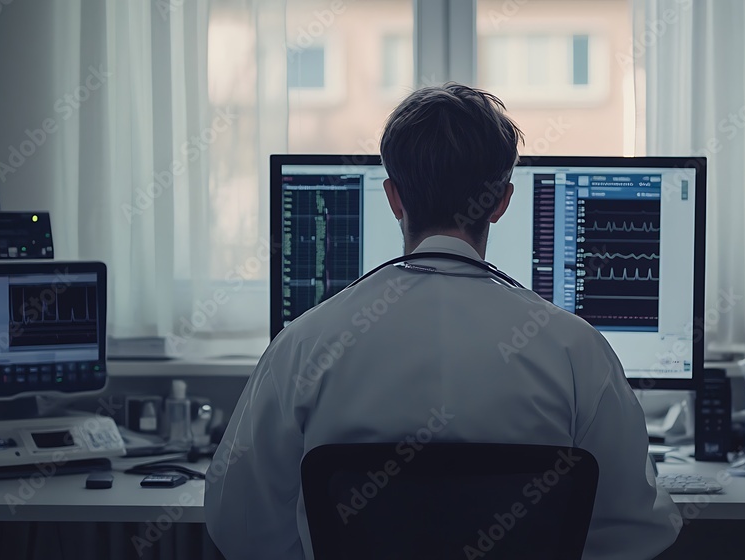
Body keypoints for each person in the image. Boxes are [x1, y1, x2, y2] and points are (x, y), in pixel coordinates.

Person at [205, 83, 680, 559]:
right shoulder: (577, 351)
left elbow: (240, 525)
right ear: (501, 202)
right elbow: (635, 532)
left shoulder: (304, 344)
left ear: (393, 197)